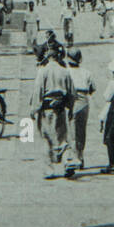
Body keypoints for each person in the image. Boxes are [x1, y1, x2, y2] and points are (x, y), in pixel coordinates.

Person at [32, 49, 77, 179]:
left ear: (48, 57)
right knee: (62, 137)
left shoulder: (43, 71)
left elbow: (38, 91)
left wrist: (34, 109)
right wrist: (71, 108)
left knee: (46, 139)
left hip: (46, 109)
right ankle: (67, 162)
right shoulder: (65, 71)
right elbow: (71, 92)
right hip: (61, 108)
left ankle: (49, 169)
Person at [65, 48, 94, 170]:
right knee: (82, 131)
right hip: (84, 102)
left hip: (72, 101)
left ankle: (73, 157)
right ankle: (80, 155)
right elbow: (92, 89)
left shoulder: (66, 72)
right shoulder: (87, 72)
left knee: (71, 131)